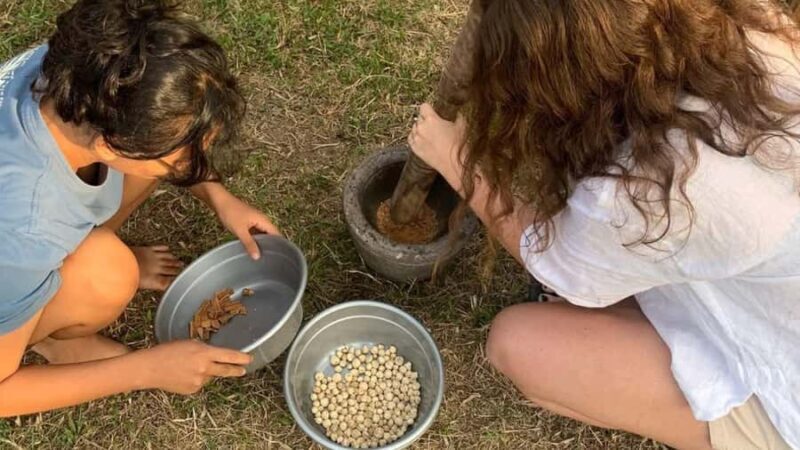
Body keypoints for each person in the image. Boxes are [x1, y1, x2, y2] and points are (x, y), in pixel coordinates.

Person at [408, 0, 800, 448]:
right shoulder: (751, 27)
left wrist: (458, 162)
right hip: (768, 292)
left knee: (517, 344)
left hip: (786, 390)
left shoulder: (644, 193)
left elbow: (548, 257)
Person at [0, 0, 281, 416]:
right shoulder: (23, 229)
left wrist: (219, 198)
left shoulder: (87, 70)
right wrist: (146, 369)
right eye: (178, 162)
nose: (187, 170)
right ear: (109, 146)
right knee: (109, 274)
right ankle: (47, 339)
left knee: (143, 172)